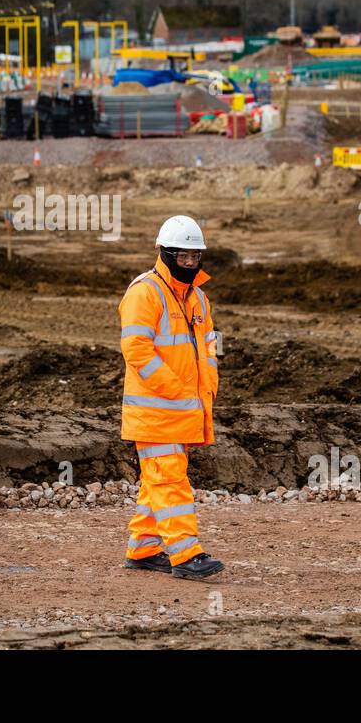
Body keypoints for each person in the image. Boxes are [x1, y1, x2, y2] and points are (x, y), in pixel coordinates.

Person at [117, 215, 224, 581]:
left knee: (157, 479)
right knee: (169, 480)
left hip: (184, 411)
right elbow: (137, 350)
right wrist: (178, 391)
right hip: (156, 414)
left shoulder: (198, 299)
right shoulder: (145, 292)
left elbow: (208, 348)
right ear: (165, 253)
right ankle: (186, 553)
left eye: (196, 258)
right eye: (184, 257)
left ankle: (144, 548)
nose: (190, 264)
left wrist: (207, 387)